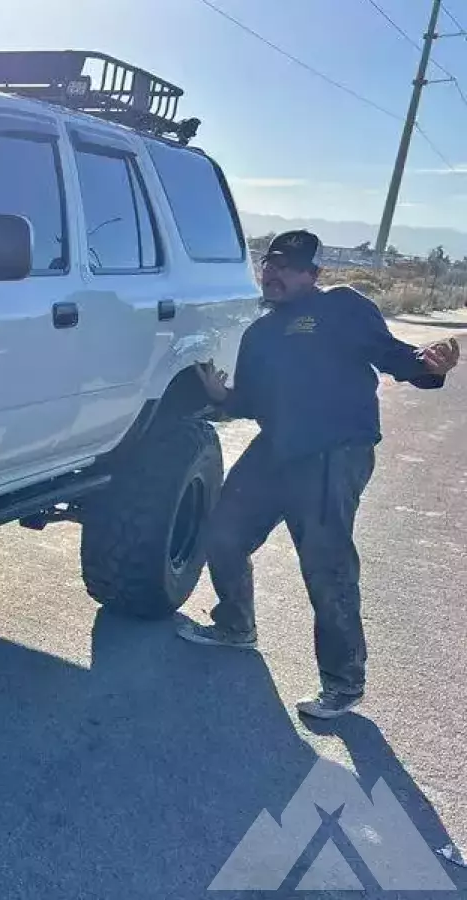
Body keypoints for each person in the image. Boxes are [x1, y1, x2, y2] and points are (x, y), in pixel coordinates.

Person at [178, 230, 461, 720]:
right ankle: (236, 625)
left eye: (288, 266)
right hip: (277, 447)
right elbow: (249, 400)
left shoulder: (343, 307)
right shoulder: (259, 334)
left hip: (334, 451)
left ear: (314, 274)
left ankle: (343, 682)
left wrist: (427, 365)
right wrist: (221, 398)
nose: (274, 272)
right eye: (269, 264)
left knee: (326, 568)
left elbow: (393, 354)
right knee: (222, 534)